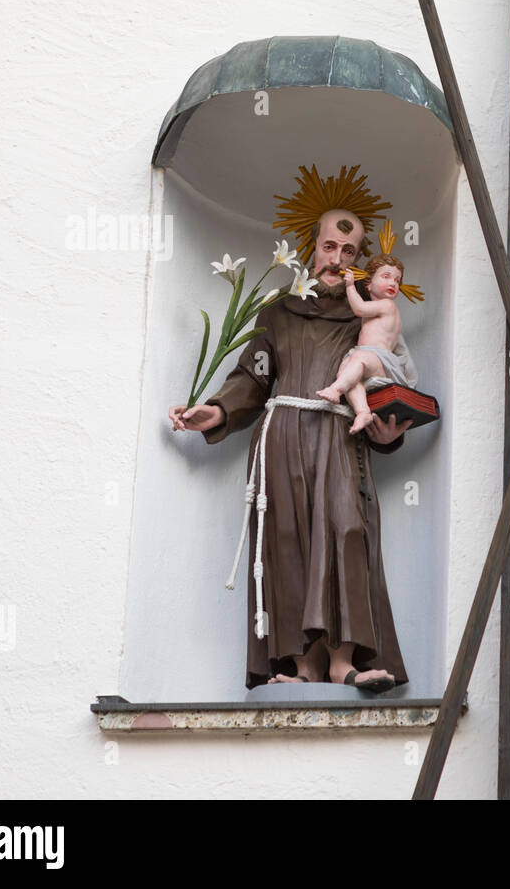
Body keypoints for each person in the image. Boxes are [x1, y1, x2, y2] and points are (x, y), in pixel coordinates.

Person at [169, 203, 412, 692]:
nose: (337, 257)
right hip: (281, 439)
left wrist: (391, 430)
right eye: (328, 246)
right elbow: (252, 376)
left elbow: (384, 372)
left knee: (346, 530)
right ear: (311, 248)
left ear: (360, 258)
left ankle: (344, 663)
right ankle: (302, 665)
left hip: (340, 437)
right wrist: (214, 412)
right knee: (288, 543)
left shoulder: (370, 312)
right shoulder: (278, 308)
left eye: (349, 250)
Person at [317, 254, 414, 434]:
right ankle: (362, 411)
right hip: (366, 356)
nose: (393, 283)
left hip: (381, 360)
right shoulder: (379, 310)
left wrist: (350, 286)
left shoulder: (388, 306)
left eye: (397, 280)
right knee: (346, 370)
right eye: (386, 277)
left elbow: (359, 309)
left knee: (358, 360)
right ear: (369, 284)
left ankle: (335, 390)